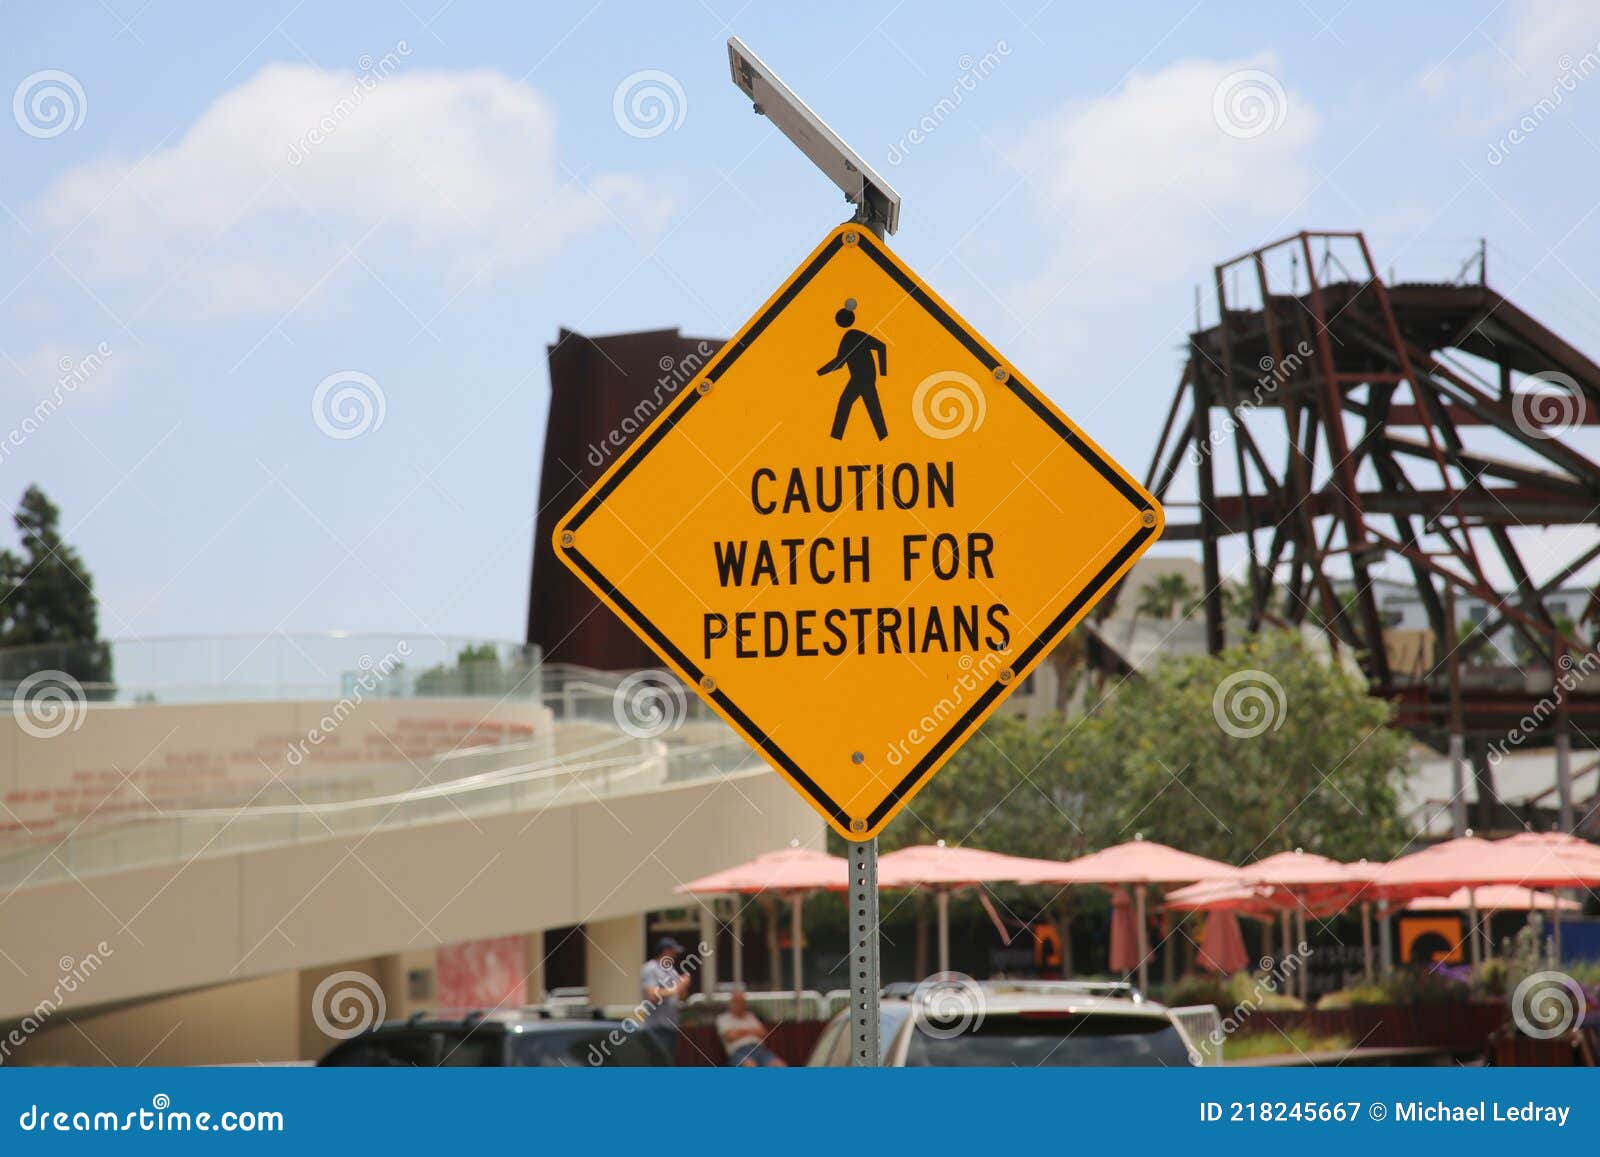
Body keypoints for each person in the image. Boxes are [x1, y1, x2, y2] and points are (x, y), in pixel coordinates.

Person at [817, 302, 889, 441]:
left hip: (863, 378)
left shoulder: (852, 336)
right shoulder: (850, 336)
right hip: (859, 378)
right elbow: (839, 363)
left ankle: (836, 438)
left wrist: (883, 372)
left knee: (860, 404)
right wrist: (819, 373)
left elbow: (881, 346)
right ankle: (882, 437)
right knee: (865, 405)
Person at [639, 938, 691, 1062]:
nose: (675, 956)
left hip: (672, 1025)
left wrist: (684, 987)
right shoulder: (650, 968)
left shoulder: (671, 971)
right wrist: (678, 987)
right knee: (658, 1062)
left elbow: (681, 997)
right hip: (657, 1027)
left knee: (669, 1061)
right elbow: (652, 995)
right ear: (665, 951)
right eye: (673, 952)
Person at [715, 988, 786, 1067]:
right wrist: (752, 1031)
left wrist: (739, 1032)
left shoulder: (751, 1016)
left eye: (742, 1002)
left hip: (760, 1050)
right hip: (739, 1052)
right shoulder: (723, 1018)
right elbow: (730, 1036)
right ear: (731, 1003)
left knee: (780, 1065)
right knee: (750, 1066)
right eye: (737, 1002)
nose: (740, 1004)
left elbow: (763, 1033)